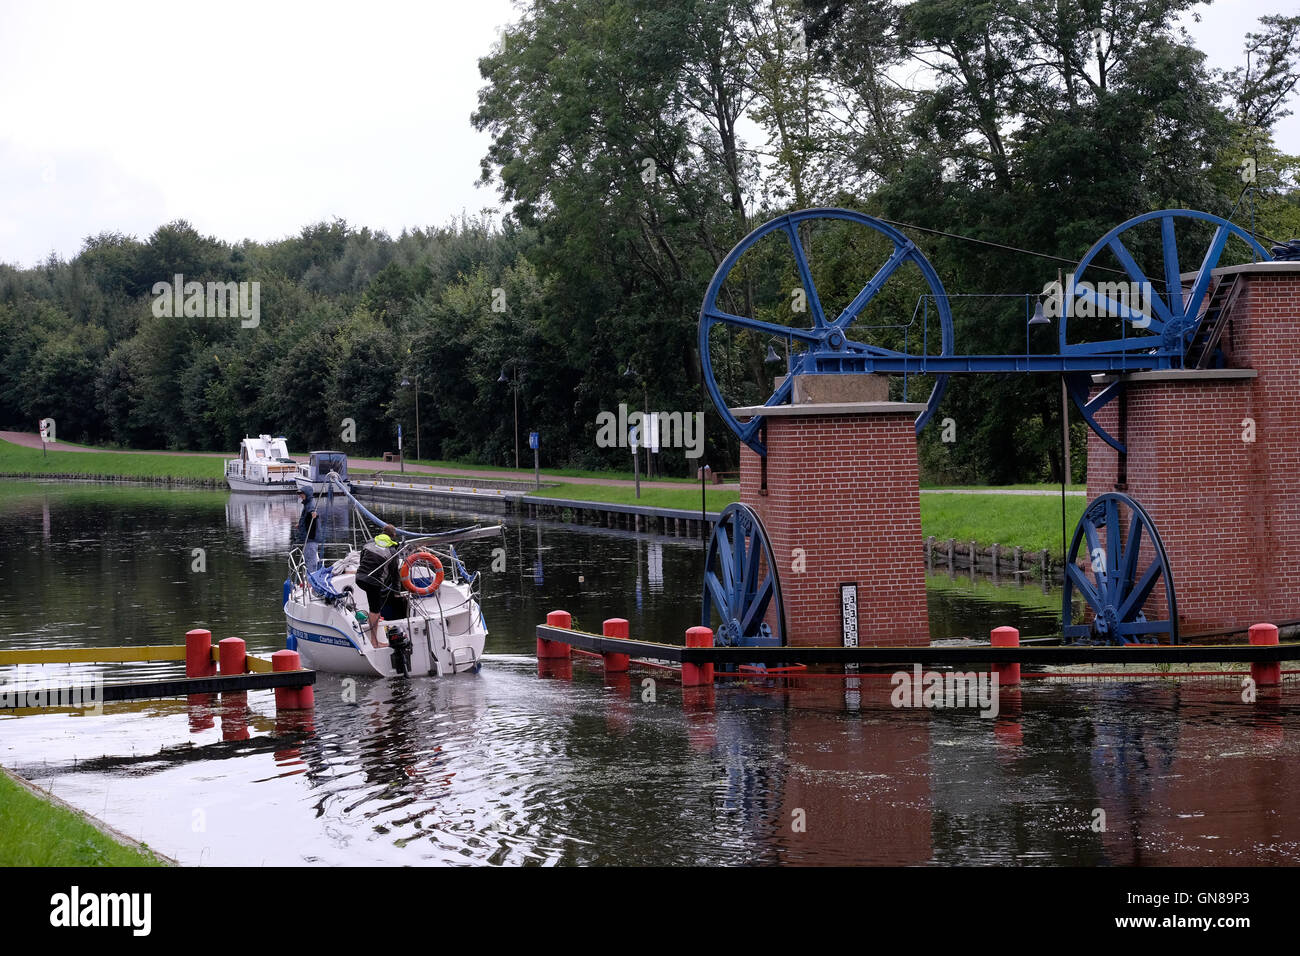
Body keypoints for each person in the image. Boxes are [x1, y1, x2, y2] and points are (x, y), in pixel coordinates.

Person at [355, 524, 401, 648]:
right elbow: (395, 574)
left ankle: (374, 624)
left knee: (374, 606)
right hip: (373, 582)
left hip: (359, 578)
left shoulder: (369, 542)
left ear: (382, 532)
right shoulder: (392, 550)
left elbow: (362, 560)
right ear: (393, 536)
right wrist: (397, 592)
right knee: (375, 611)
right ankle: (374, 642)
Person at [296, 488, 320, 573]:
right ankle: (310, 579)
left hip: (310, 538)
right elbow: (306, 518)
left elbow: (314, 513)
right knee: (309, 559)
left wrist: (315, 515)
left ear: (307, 494)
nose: (300, 496)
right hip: (308, 538)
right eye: (300, 494)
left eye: (302, 494)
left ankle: (310, 582)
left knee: (310, 560)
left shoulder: (310, 505)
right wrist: (300, 525)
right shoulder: (306, 504)